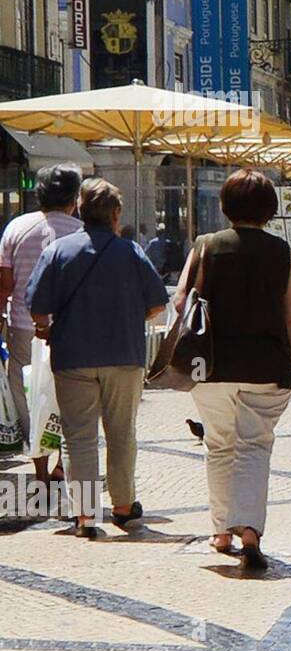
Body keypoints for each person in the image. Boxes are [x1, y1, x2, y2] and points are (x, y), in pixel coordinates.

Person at [27, 179, 168, 538]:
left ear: (79, 209)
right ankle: (123, 506)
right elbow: (156, 303)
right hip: (123, 355)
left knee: (79, 437)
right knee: (122, 432)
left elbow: (37, 306)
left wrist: (45, 328)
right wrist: (129, 317)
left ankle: (86, 514)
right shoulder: (131, 252)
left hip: (73, 356)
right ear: (116, 214)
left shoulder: (59, 251)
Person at [176, 169, 291, 571]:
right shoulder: (281, 252)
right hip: (267, 365)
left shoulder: (207, 245)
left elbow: (181, 302)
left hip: (209, 366)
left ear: (225, 206)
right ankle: (250, 531)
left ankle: (221, 532)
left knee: (219, 445)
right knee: (254, 447)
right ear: (269, 209)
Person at [0, 163, 83, 483]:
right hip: (72, 329)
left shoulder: (16, 228)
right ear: (75, 198)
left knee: (30, 394)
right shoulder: (80, 231)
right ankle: (63, 461)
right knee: (69, 394)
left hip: (25, 326)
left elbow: (5, 285)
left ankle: (39, 465)